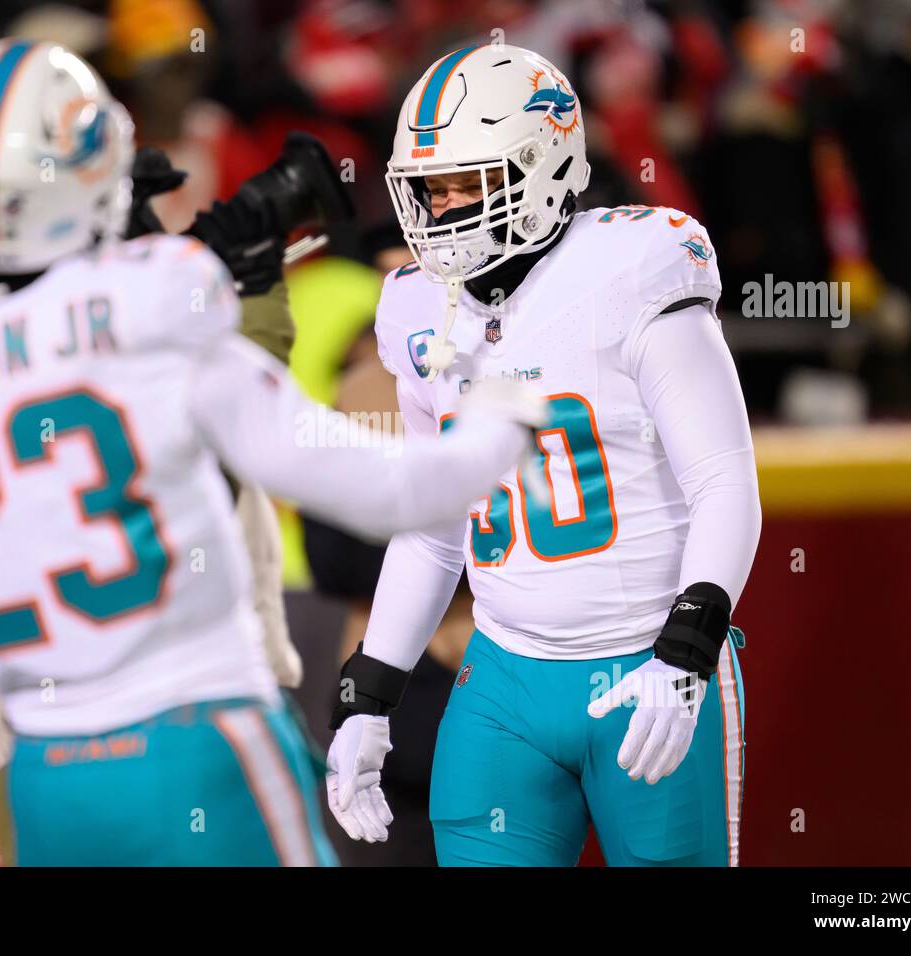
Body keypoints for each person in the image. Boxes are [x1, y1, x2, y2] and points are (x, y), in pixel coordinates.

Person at [0, 39, 540, 867]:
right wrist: (502, 414)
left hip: (46, 776)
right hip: (204, 745)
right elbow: (394, 494)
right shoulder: (152, 306)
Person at [324, 44, 761, 867]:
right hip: (504, 681)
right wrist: (369, 691)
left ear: (540, 166)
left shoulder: (631, 269)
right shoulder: (418, 309)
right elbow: (431, 522)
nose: (441, 208)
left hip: (647, 661)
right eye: (429, 188)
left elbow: (724, 482)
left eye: (466, 184)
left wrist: (688, 648)